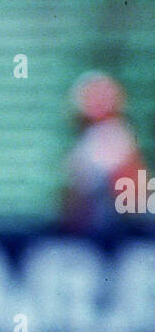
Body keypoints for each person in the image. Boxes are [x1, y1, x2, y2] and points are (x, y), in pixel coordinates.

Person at [61, 71, 150, 237]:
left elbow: (133, 197)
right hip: (95, 229)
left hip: (113, 230)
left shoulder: (115, 136)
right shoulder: (91, 139)